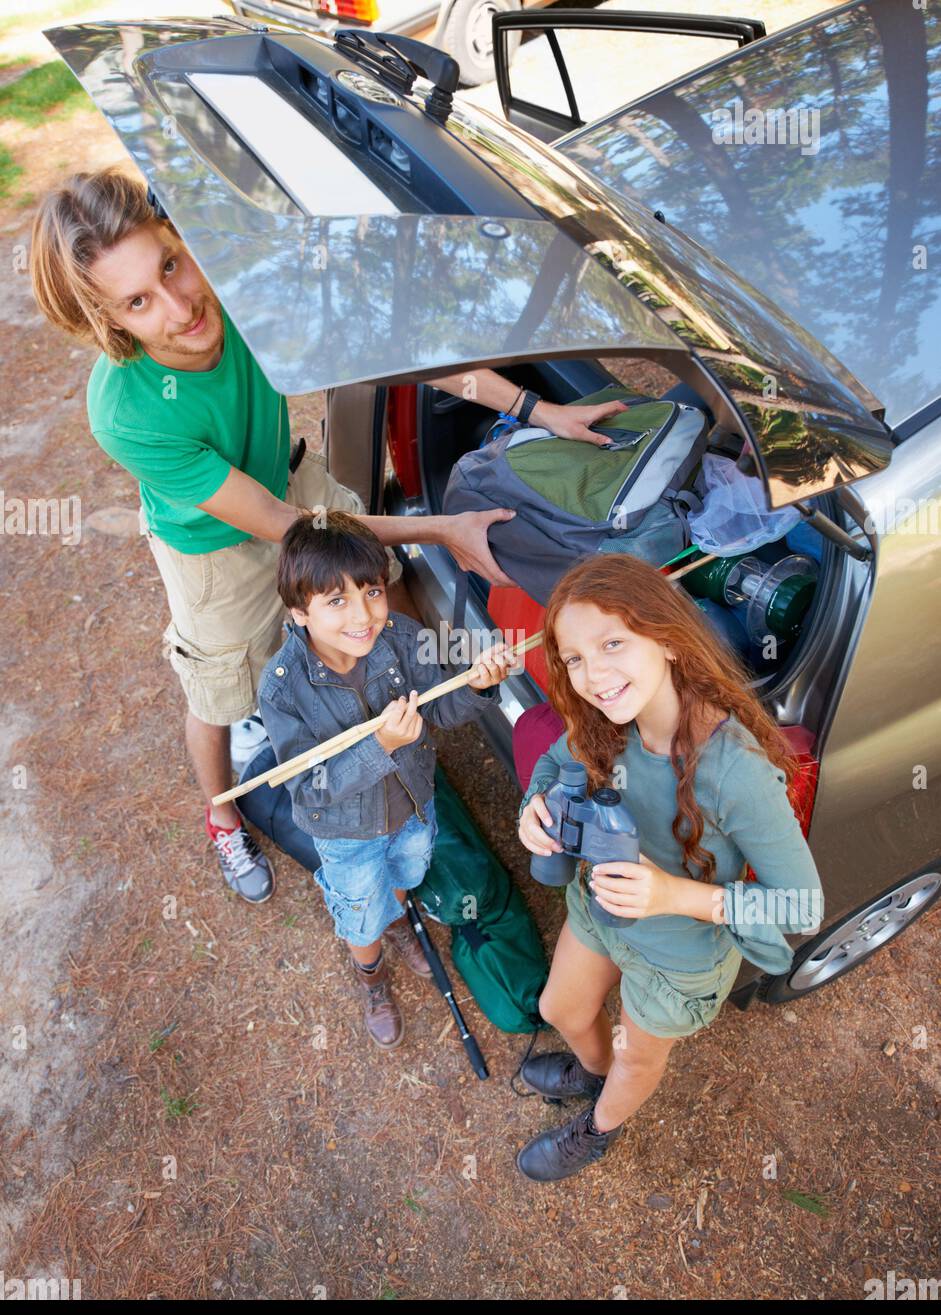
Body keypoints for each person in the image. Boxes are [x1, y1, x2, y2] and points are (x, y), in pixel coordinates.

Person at [28, 168, 630, 903]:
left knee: (382, 586)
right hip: (212, 546)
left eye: (172, 265)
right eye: (138, 302)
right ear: (108, 321)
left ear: (181, 238)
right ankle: (222, 816)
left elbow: (402, 348)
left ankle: (414, 706)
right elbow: (292, 535)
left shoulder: (249, 284)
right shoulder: (124, 411)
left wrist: (535, 410)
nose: (182, 306)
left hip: (290, 481)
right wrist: (444, 528)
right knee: (220, 692)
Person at [515, 553, 824, 1182]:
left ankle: (600, 1125)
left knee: (635, 1059)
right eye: (574, 658)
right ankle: (592, 1073)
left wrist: (673, 895)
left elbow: (803, 905)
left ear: (669, 640)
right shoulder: (606, 718)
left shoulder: (732, 768)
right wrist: (533, 808)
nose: (593, 676)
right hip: (601, 912)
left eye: (612, 644)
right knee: (562, 1010)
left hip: (678, 960)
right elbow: (550, 766)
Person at [257, 510, 513, 1048]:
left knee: (406, 870)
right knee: (359, 916)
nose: (364, 615)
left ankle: (397, 918)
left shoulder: (401, 635)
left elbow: (442, 710)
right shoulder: (281, 689)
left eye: (372, 592)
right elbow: (309, 789)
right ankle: (371, 974)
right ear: (300, 612)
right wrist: (380, 748)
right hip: (347, 836)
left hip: (414, 807)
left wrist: (478, 686)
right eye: (336, 601)